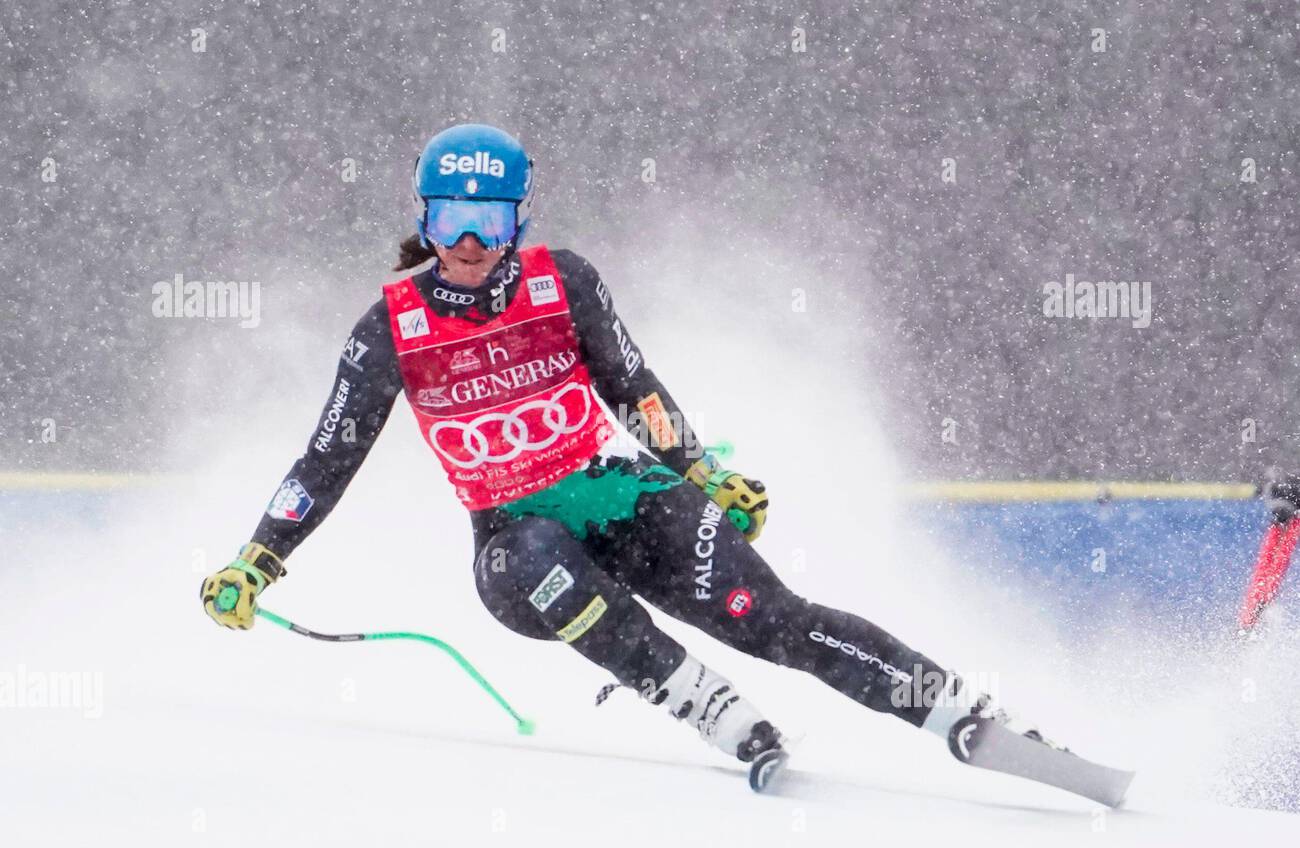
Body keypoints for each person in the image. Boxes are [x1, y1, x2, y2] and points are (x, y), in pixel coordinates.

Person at [200, 123, 1053, 784]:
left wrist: (705, 475)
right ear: (423, 218)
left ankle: (954, 709)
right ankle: (704, 705)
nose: (469, 241)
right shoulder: (390, 329)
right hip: (516, 547)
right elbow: (325, 459)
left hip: (620, 499)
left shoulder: (562, 281)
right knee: (540, 556)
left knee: (773, 620)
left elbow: (633, 389)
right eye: (451, 219)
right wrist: (257, 560)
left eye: (489, 217)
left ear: (519, 216)